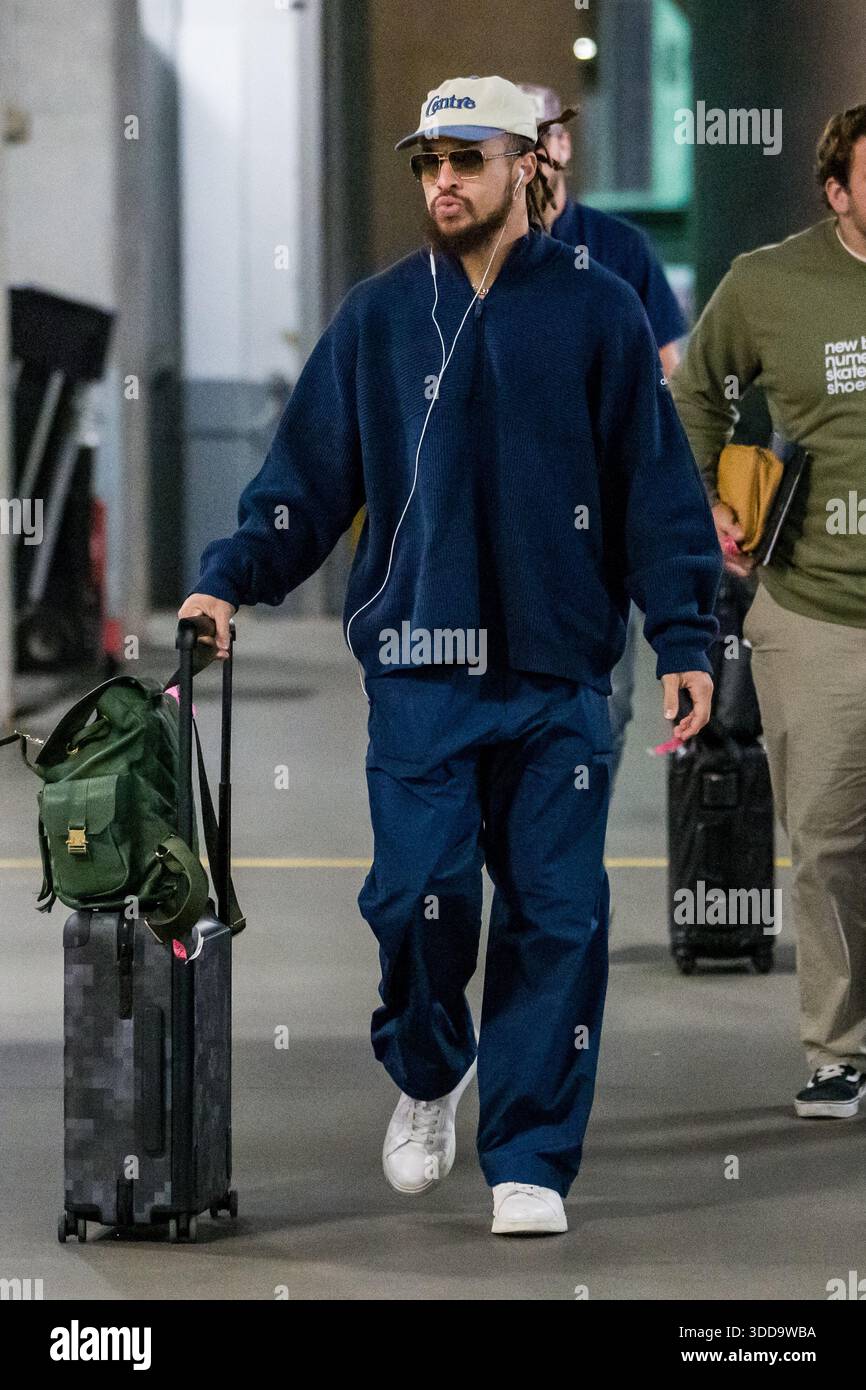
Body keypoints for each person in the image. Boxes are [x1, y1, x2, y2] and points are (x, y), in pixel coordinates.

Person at [179, 75, 721, 1234]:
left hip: (560, 676)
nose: (442, 182)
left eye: (465, 160)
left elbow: (654, 492)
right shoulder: (378, 317)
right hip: (423, 672)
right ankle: (428, 1070)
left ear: (526, 164)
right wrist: (229, 577)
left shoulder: (596, 310)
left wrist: (683, 631)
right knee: (418, 900)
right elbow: (305, 481)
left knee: (557, 917)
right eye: (427, 163)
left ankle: (527, 1154)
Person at [670, 104, 866, 1119]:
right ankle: (837, 1049)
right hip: (814, 609)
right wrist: (709, 499)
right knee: (828, 843)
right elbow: (694, 392)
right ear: (834, 192)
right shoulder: (768, 284)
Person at [519, 83, 687, 781]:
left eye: (546, 139)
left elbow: (669, 375)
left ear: (562, 147)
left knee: (606, 702)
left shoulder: (620, 250)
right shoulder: (478, 257)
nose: (536, 156)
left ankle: (568, 853)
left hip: (599, 526)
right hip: (514, 516)